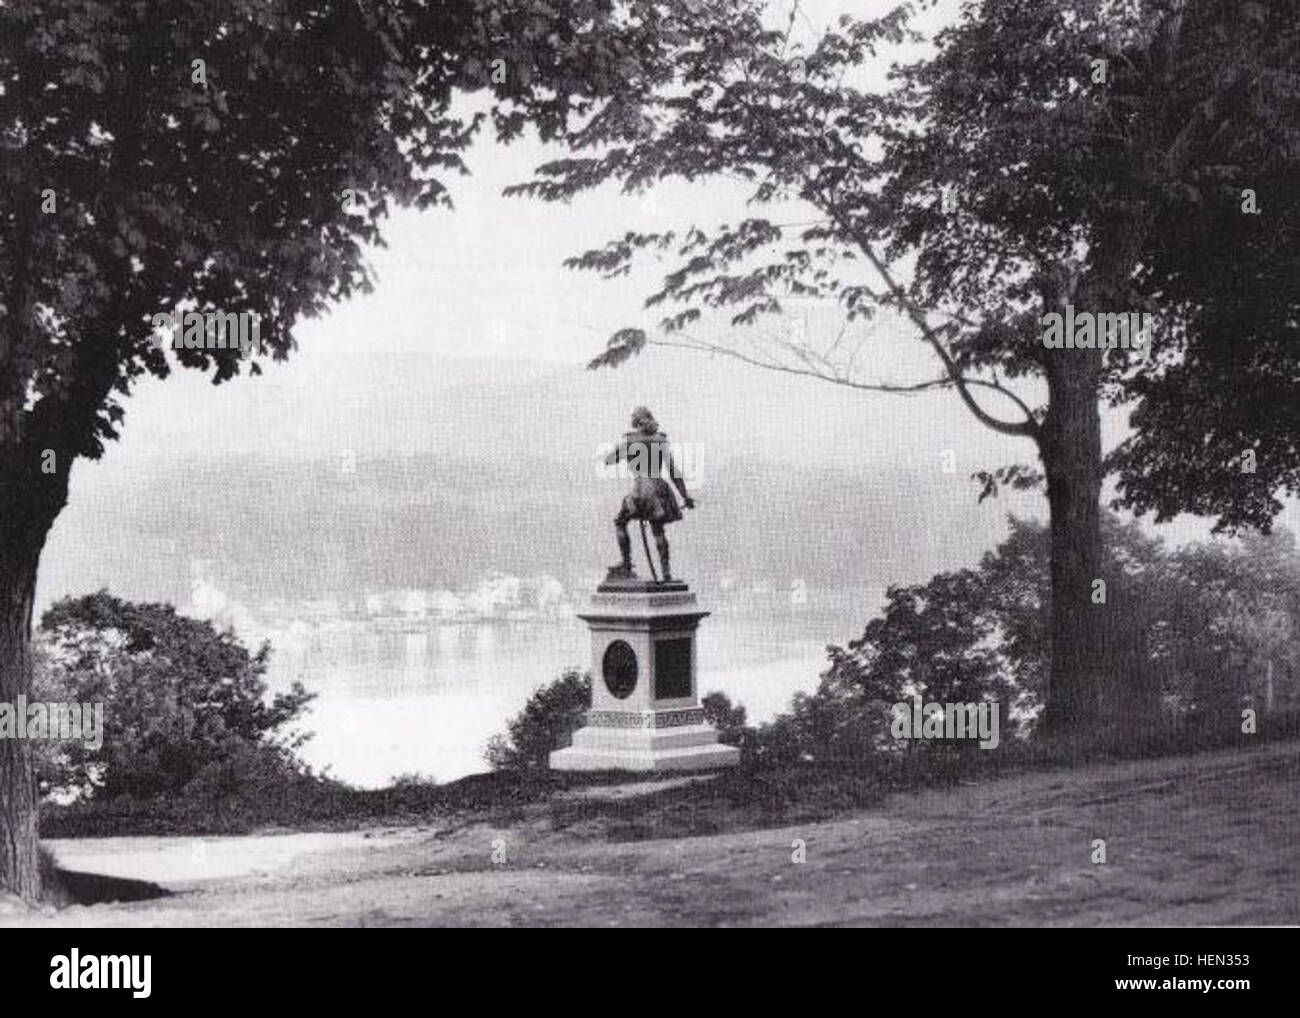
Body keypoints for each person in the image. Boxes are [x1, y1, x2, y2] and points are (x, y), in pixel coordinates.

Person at [604, 406, 695, 581]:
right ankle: (666, 572)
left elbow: (609, 460)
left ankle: (626, 562)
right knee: (658, 529)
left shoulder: (629, 442)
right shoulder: (660, 441)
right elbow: (673, 471)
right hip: (658, 487)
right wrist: (685, 496)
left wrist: (622, 446)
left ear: (635, 421)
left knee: (620, 521)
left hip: (640, 489)